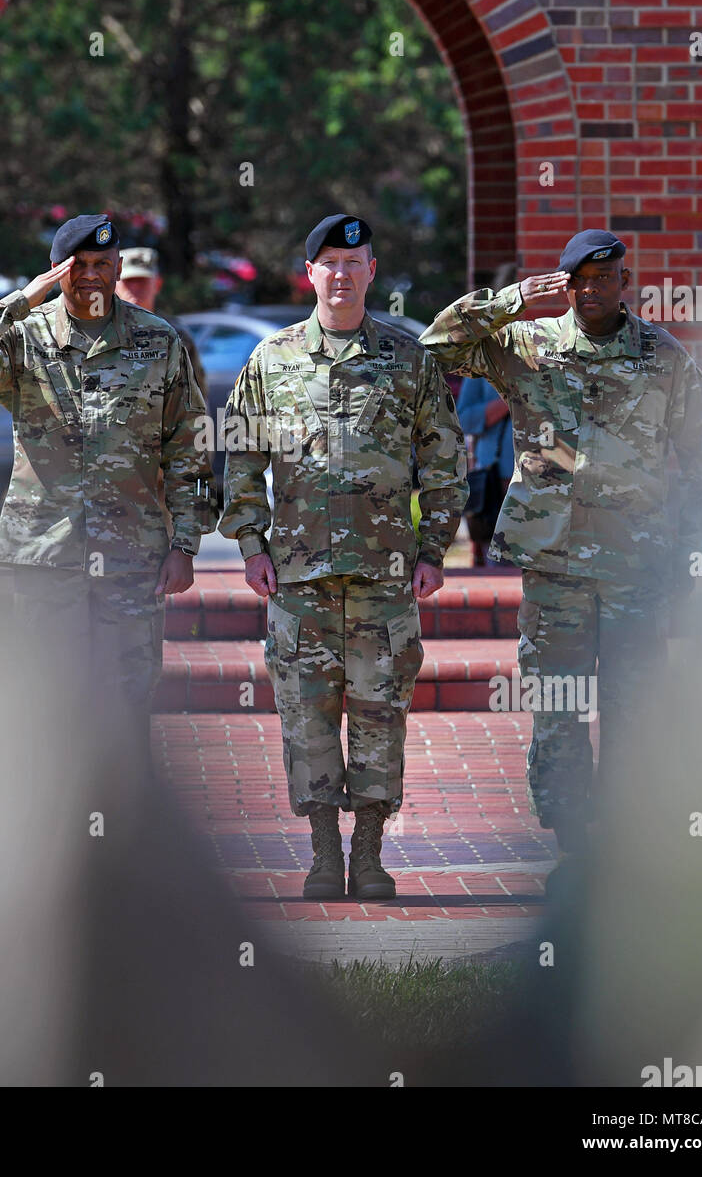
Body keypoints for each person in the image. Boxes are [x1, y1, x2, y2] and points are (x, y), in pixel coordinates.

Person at [420, 229, 702, 893]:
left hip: (636, 566)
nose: (591, 291)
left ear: (624, 281)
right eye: (577, 280)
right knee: (558, 704)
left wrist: (696, 556)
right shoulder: (529, 346)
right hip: (554, 562)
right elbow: (435, 346)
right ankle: (571, 843)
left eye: (603, 277)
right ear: (562, 284)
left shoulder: (661, 356)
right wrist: (509, 301)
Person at [220, 214, 468, 901]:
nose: (339, 273)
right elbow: (240, 457)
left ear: (371, 270)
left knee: (379, 713)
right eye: (327, 262)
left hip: (385, 576)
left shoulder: (407, 358)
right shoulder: (270, 361)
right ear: (309, 274)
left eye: (351, 261)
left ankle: (368, 855)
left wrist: (433, 547)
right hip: (297, 575)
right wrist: (248, 543)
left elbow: (443, 460)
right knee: (305, 715)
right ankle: (324, 853)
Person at [0, 214, 216, 713]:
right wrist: (18, 302)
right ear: (55, 270)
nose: (90, 275)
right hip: (45, 557)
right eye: (76, 265)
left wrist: (185, 545)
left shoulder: (158, 341)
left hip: (132, 558)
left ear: (118, 266)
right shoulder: (24, 338)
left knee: (127, 704)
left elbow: (187, 449)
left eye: (102, 264)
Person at [114, 246, 207, 399]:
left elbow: (197, 395)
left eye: (142, 281)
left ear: (157, 284)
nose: (135, 288)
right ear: (115, 286)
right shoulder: (101, 334)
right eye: (128, 282)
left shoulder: (176, 335)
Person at [456, 375, 513, 566]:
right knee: (500, 572)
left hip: (550, 482)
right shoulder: (483, 363)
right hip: (498, 483)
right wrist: (512, 398)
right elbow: (463, 419)